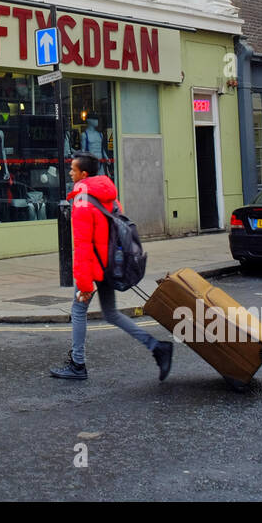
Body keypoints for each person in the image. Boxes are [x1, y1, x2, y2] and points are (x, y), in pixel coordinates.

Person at [50, 153, 173, 381]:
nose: (70, 172)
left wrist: (85, 285)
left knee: (78, 311)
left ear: (83, 174)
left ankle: (78, 364)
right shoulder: (109, 195)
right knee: (111, 313)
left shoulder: (82, 201)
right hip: (110, 264)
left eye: (73, 169)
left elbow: (83, 246)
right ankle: (157, 347)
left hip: (93, 266)